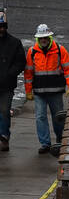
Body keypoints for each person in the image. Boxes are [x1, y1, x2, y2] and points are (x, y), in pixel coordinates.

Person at [24, 23, 69, 156]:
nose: (43, 40)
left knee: (58, 118)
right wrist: (28, 90)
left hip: (56, 91)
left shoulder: (59, 49)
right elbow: (28, 73)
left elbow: (68, 70)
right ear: (38, 39)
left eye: (45, 37)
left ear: (49, 37)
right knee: (40, 117)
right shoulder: (32, 52)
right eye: (41, 38)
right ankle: (45, 144)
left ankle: (59, 139)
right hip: (39, 92)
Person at [0, 12, 25, 152]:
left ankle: (4, 136)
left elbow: (21, 61)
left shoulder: (15, 43)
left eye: (3, 26)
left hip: (7, 85)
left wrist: (10, 73)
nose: (1, 29)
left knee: (4, 111)